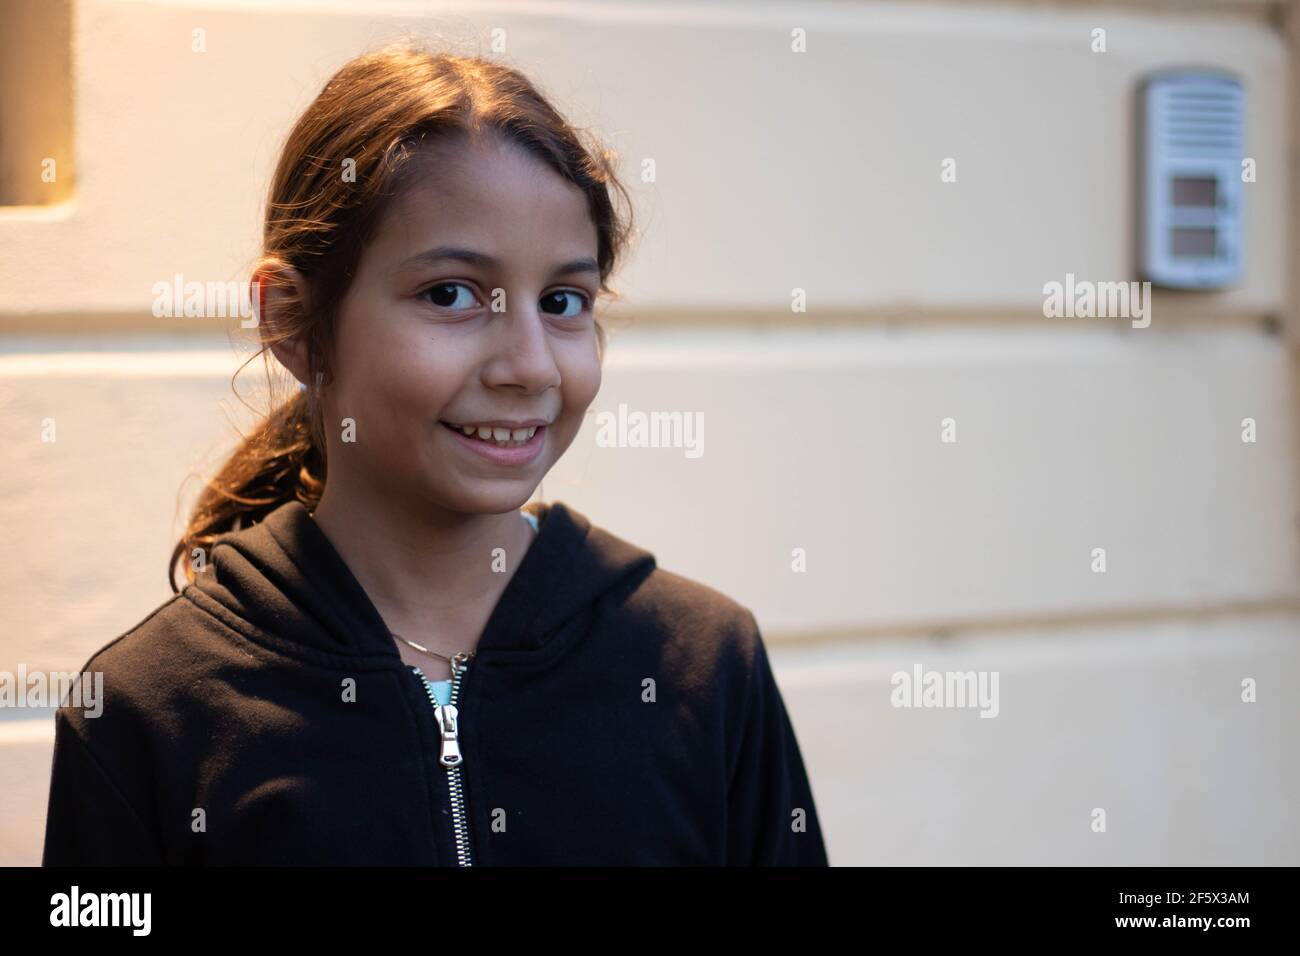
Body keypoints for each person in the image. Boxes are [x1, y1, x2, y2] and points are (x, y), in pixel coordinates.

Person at [41, 44, 829, 866]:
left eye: (563, 302)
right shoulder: (150, 710)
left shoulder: (703, 665)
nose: (528, 365)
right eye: (450, 294)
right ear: (293, 321)